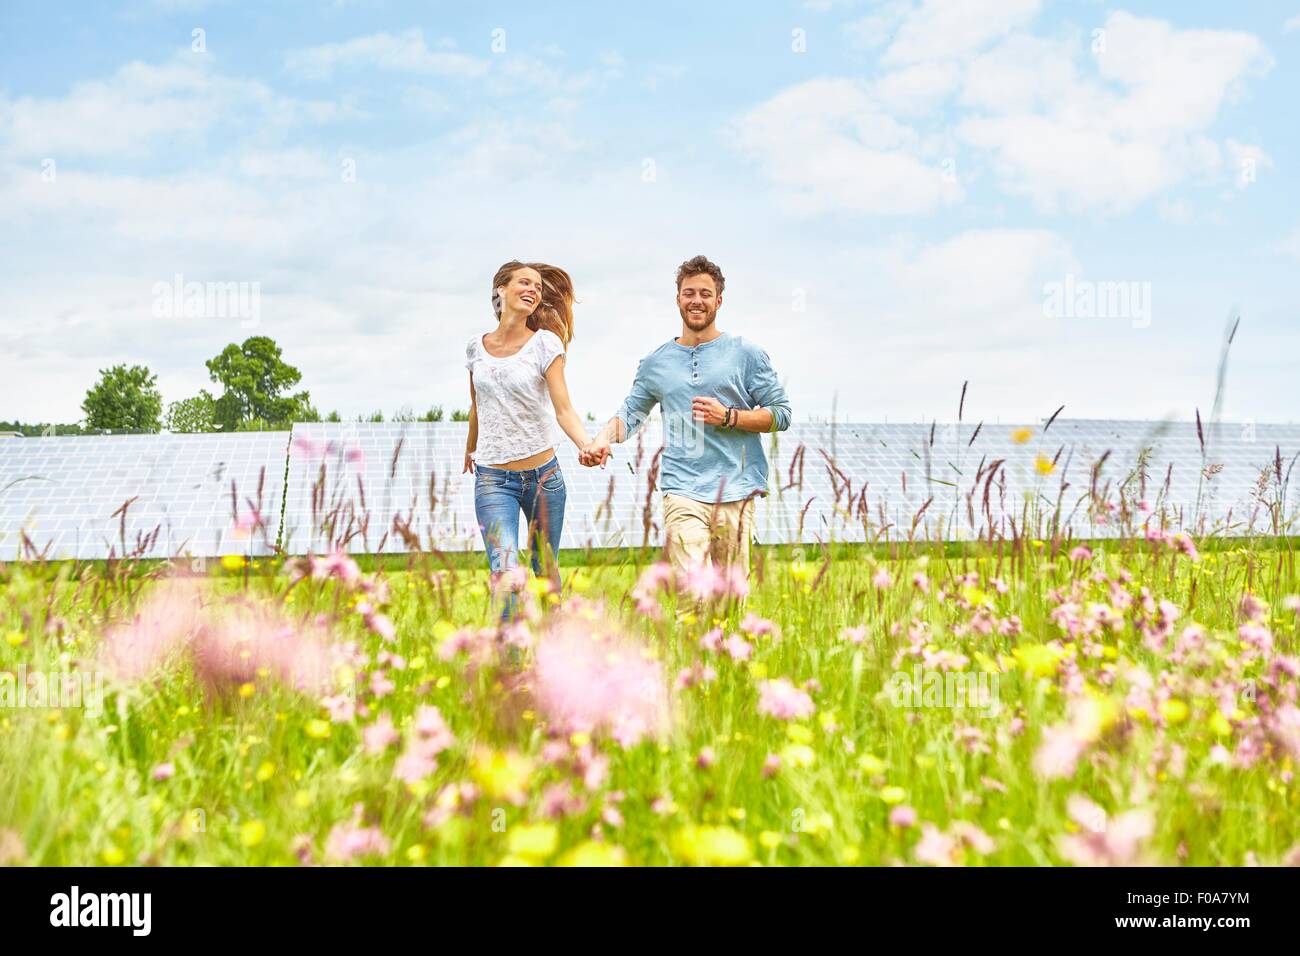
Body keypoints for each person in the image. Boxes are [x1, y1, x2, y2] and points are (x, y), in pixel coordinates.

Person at [580, 254, 791, 621]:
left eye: (706, 294)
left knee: (730, 602)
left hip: (737, 490)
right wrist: (601, 438)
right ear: (677, 298)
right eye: (689, 293)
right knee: (692, 594)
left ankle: (726, 671)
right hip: (682, 489)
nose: (697, 300)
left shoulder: (747, 355)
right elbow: (630, 413)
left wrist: (728, 416)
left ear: (719, 301)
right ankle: (689, 672)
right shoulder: (656, 362)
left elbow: (781, 414)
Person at [465, 260, 593, 621]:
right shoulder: (476, 347)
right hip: (492, 479)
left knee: (544, 570)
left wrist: (586, 444)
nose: (533, 290)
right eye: (524, 282)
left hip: (543, 478)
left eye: (537, 286)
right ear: (500, 290)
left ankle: (555, 657)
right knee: (505, 574)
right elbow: (477, 406)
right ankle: (512, 667)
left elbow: (564, 409)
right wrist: (469, 447)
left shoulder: (545, 344)